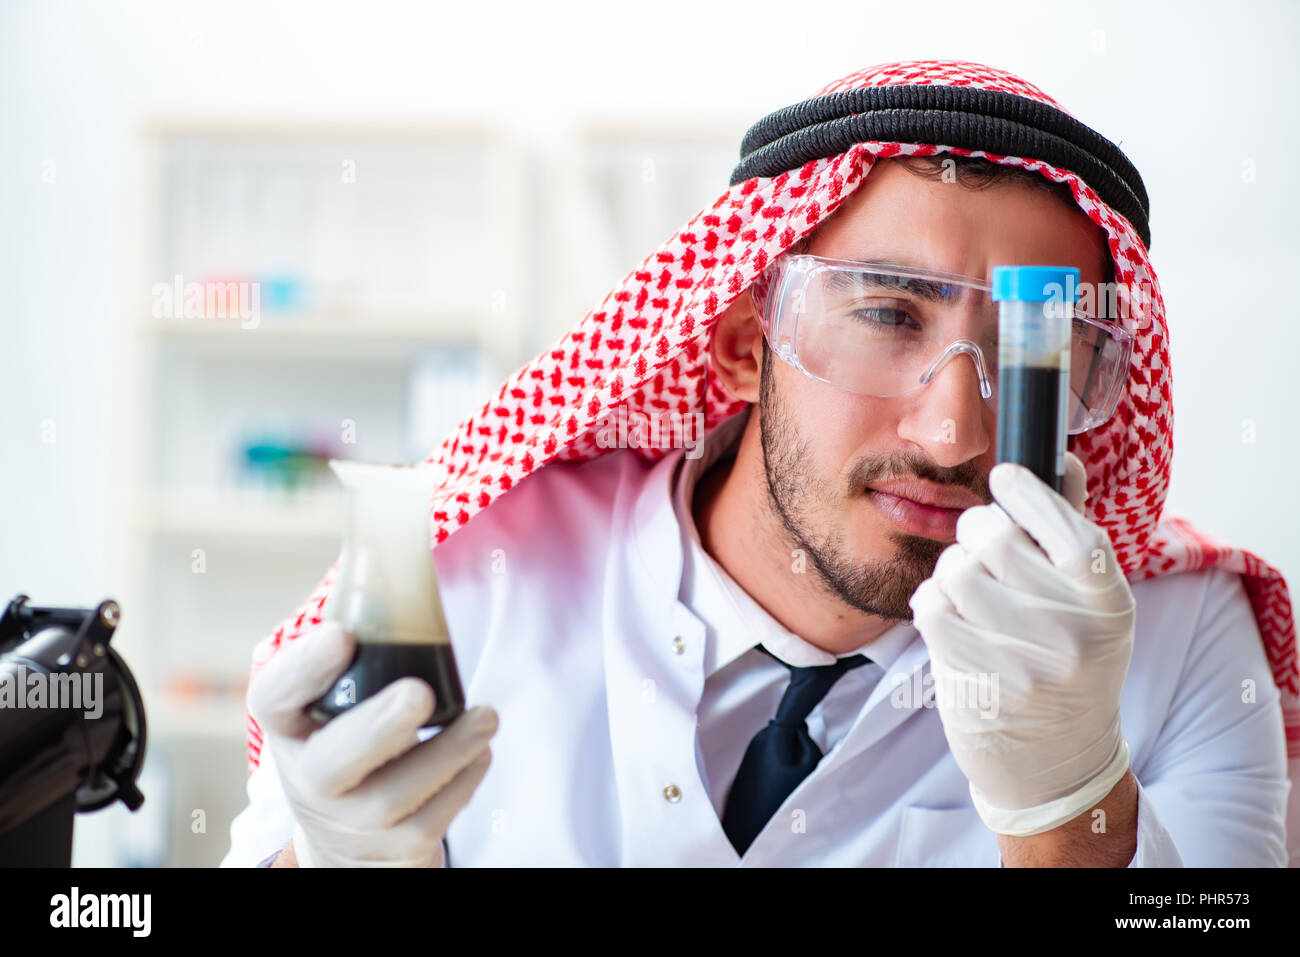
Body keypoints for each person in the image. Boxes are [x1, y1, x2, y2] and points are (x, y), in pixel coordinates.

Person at [221, 59, 1297, 868]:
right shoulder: (471, 570)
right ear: (742, 344)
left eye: (1033, 350)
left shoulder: (1184, 633)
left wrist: (1071, 800)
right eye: (886, 314)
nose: (952, 435)